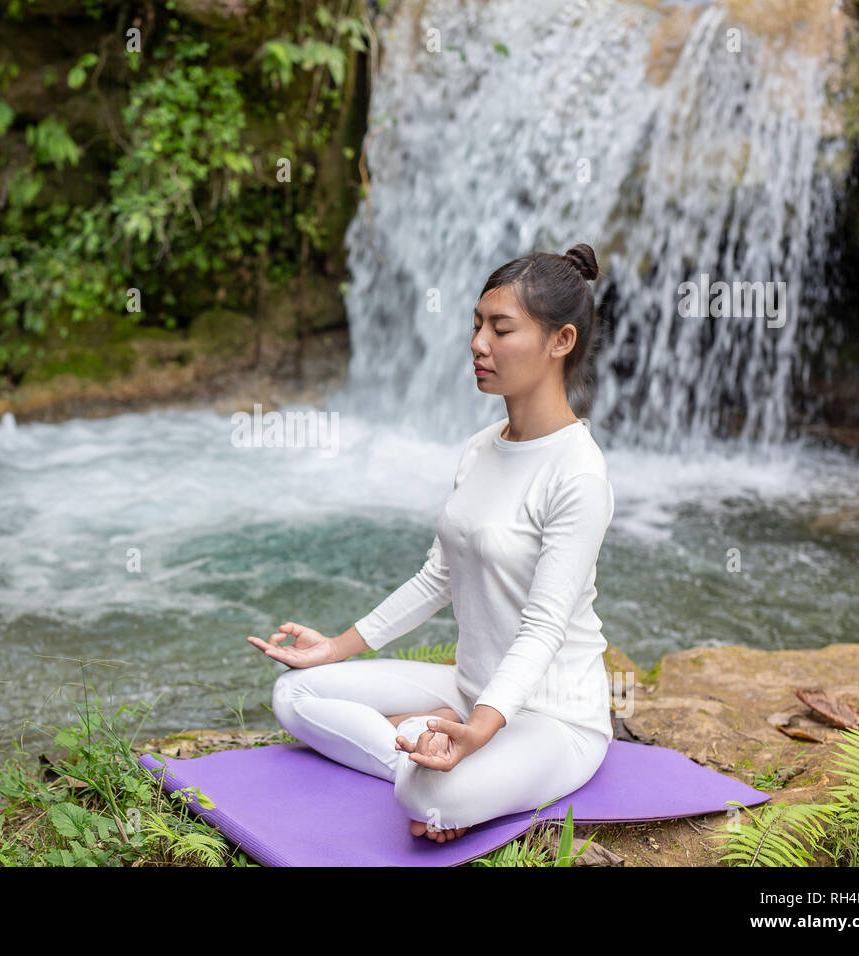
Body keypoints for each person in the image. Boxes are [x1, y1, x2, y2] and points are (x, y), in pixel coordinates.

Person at [247, 243, 616, 844]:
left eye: (501, 329)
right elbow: (437, 579)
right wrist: (335, 648)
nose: (478, 344)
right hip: (468, 687)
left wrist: (483, 730)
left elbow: (544, 628)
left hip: (553, 716)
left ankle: (436, 750)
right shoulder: (480, 447)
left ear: (561, 341)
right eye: (476, 325)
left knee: (425, 795)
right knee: (294, 692)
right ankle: (428, 737)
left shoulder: (577, 472)